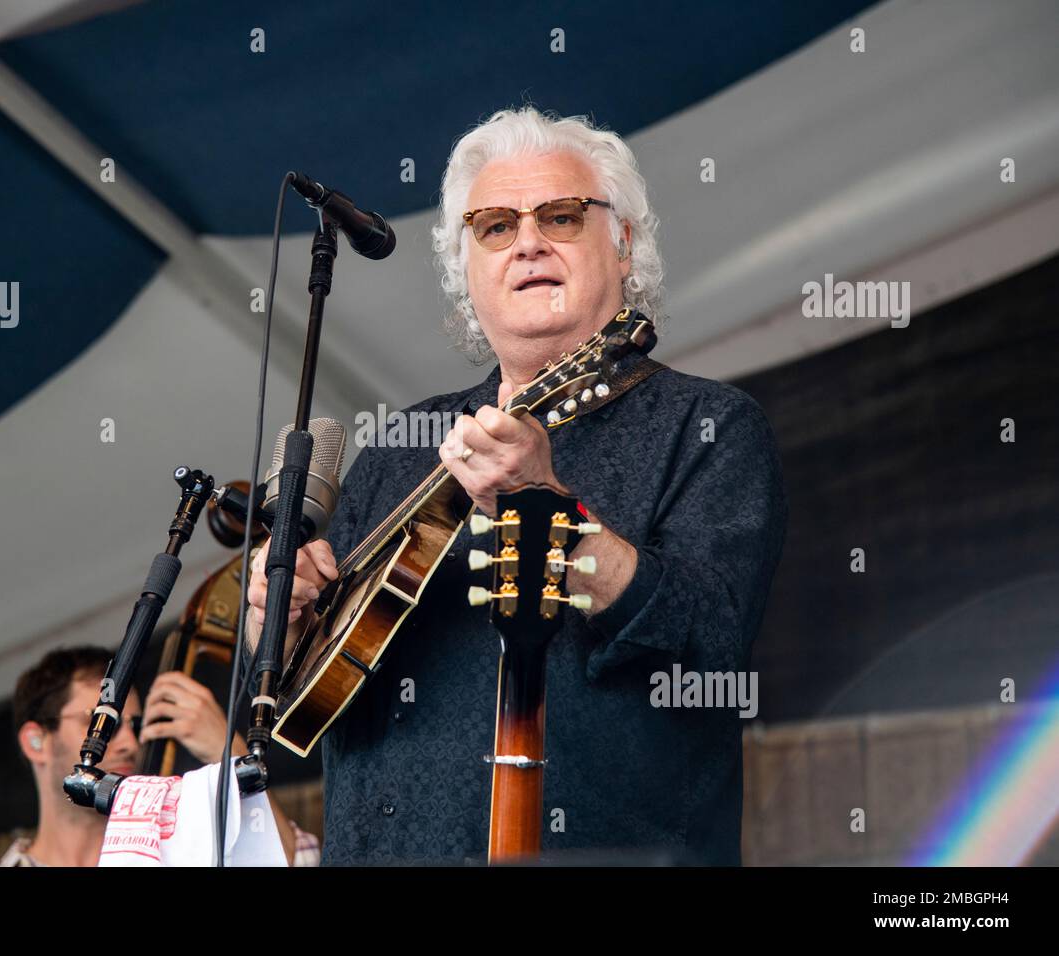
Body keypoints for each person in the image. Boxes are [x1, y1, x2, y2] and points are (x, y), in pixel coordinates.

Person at [245, 106, 787, 865]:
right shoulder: (404, 444)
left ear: (624, 245)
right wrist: (284, 624)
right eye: (495, 226)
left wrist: (543, 507)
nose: (527, 241)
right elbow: (300, 714)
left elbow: (707, 643)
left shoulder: (710, 424)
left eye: (561, 217)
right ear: (466, 270)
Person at [0, 645, 318, 866]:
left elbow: (299, 861)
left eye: (133, 724)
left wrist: (228, 750)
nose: (128, 743)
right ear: (36, 742)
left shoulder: (178, 844)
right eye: (100, 722)